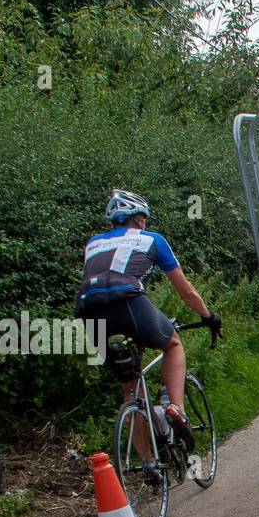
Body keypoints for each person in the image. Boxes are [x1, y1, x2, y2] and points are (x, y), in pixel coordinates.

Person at [76, 189, 222, 465]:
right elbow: (186, 291)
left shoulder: (92, 244)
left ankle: (148, 463)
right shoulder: (153, 240)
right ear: (140, 218)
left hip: (89, 313)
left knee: (129, 390)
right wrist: (208, 316)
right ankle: (176, 409)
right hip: (129, 303)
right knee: (173, 343)